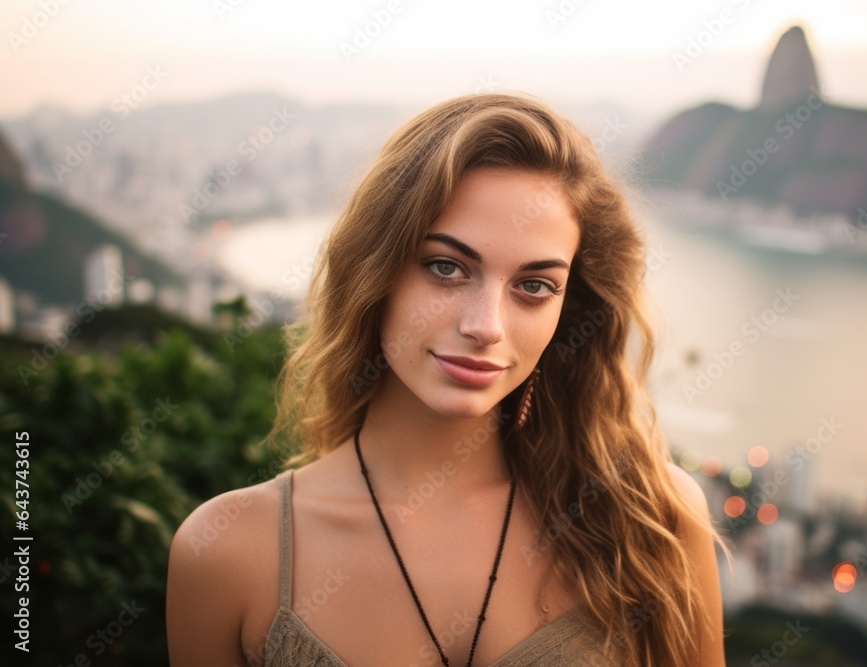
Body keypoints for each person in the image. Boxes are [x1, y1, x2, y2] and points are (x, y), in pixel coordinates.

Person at [166, 91, 729, 666]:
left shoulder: (650, 522)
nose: (485, 326)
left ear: (570, 309)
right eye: (446, 267)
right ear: (375, 270)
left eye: (534, 286)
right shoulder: (229, 553)